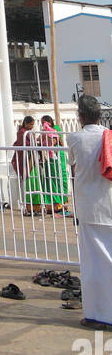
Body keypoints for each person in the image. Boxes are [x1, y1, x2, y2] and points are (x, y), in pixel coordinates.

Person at [66, 94, 112, 330]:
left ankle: (96, 314)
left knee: (92, 263)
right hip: (109, 204)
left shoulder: (74, 138)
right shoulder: (110, 137)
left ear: (80, 117)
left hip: (88, 207)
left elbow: (73, 167)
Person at [35, 115, 69, 213]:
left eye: (43, 123)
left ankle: (60, 203)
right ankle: (52, 204)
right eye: (41, 123)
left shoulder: (55, 130)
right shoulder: (47, 131)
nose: (42, 125)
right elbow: (38, 140)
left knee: (59, 179)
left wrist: (47, 134)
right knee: (49, 179)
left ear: (48, 122)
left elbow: (56, 142)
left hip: (57, 157)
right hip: (50, 158)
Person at [11, 115, 39, 210]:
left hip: (31, 158)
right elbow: (23, 144)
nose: (32, 126)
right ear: (26, 123)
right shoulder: (22, 133)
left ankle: (35, 204)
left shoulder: (28, 132)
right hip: (24, 159)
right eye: (31, 124)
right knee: (28, 181)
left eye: (33, 125)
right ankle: (28, 205)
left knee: (35, 181)